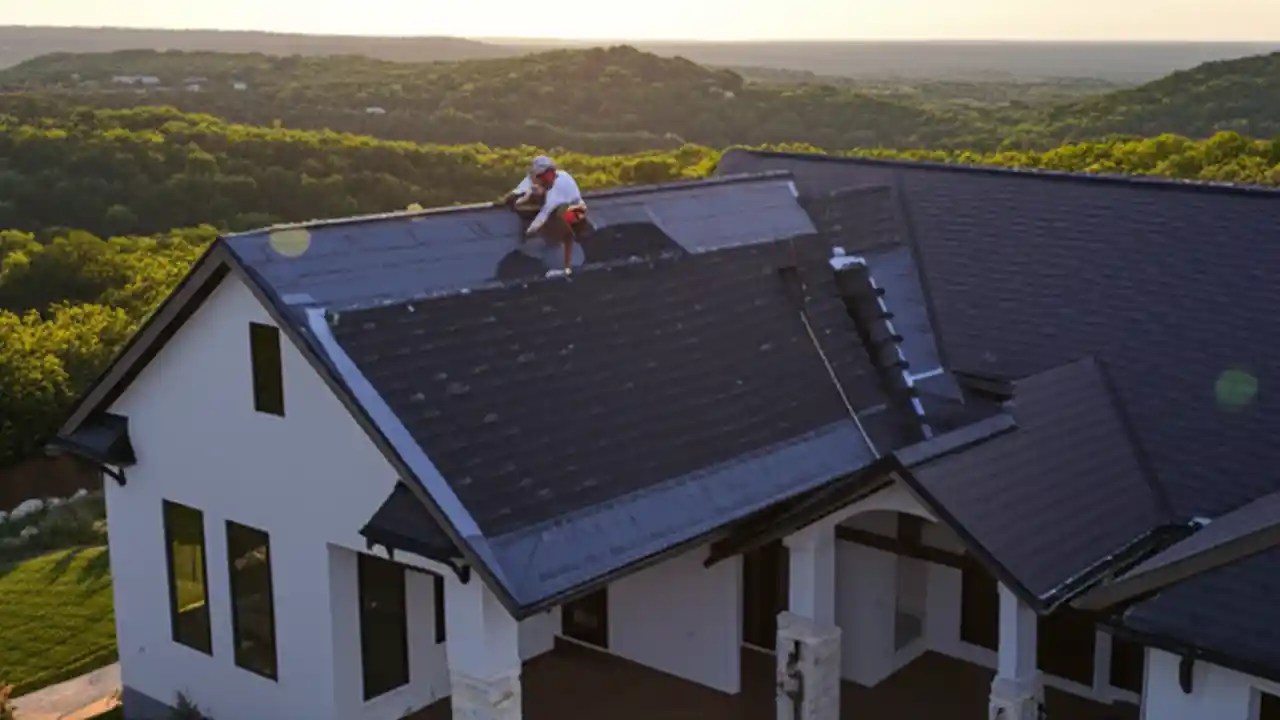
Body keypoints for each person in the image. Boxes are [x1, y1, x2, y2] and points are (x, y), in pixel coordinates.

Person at [506, 156, 586, 238]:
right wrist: (523, 198)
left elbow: (542, 216)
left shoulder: (558, 186)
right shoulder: (537, 179)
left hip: (571, 212)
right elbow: (514, 195)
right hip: (550, 210)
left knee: (561, 212)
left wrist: (529, 232)